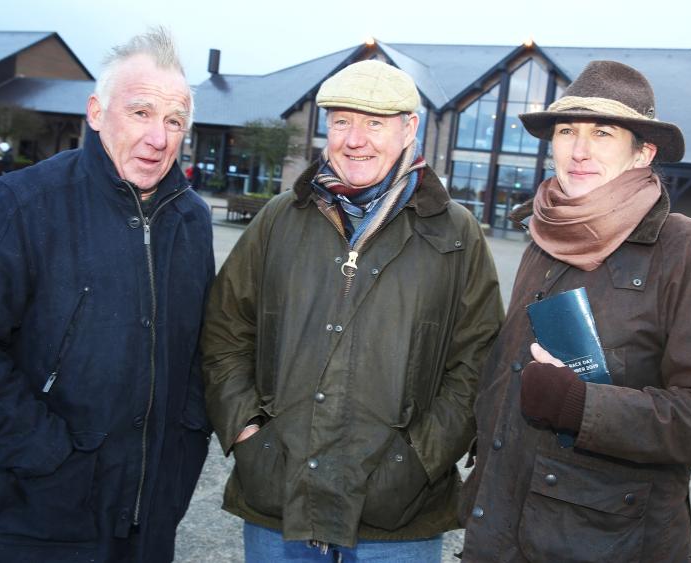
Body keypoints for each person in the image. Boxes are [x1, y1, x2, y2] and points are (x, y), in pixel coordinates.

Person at [201, 59, 503, 561]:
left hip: (399, 516)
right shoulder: (279, 219)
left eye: (374, 123)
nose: (355, 139)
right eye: (342, 121)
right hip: (280, 501)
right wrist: (248, 435)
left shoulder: (456, 234)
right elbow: (225, 334)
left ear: (409, 129)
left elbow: (477, 362)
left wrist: (418, 461)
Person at [459, 61, 691, 561]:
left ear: (643, 152)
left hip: (606, 544)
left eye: (603, 132)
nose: (579, 149)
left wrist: (582, 407)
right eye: (566, 130)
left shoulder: (687, 249)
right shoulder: (545, 236)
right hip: (502, 532)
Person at [0, 28, 214, 562]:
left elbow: (197, 353)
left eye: (174, 121)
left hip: (146, 525)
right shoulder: (19, 206)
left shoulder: (192, 220)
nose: (158, 137)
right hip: (32, 519)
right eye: (141, 112)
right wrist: (47, 454)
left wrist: (184, 450)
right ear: (95, 112)